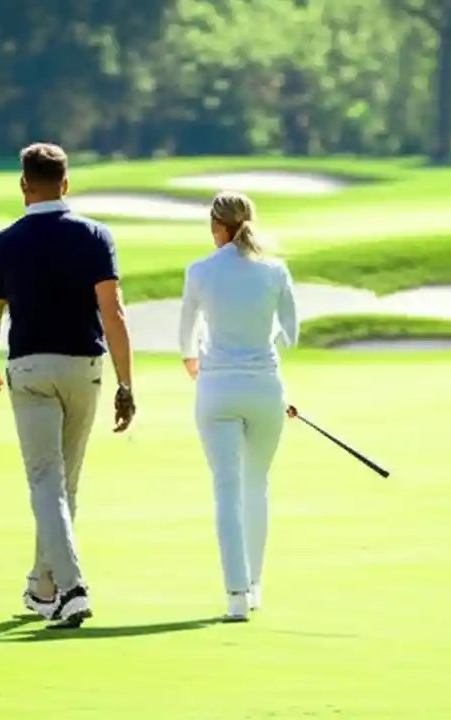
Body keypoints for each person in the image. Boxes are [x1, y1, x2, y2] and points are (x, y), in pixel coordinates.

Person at [0, 142, 136, 629]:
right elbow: (114, 313)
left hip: (29, 371)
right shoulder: (94, 236)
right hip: (84, 367)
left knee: (47, 482)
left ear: (24, 184)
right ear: (66, 184)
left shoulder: (5, 241)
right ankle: (43, 586)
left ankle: (71, 587)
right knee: (64, 483)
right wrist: (126, 384)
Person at [179, 190, 299, 622]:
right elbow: (291, 334)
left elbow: (185, 339)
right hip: (266, 388)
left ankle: (235, 597)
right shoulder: (275, 271)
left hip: (216, 389)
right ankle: (254, 587)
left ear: (217, 226)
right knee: (256, 485)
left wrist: (198, 361)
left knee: (226, 491)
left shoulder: (199, 271)